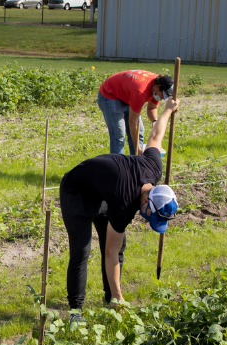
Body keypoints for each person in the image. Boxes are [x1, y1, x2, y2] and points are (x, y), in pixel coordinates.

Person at [59, 99, 183, 310]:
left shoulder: (153, 167)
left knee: (119, 245)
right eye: (148, 215)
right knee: (82, 250)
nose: (145, 219)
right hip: (76, 190)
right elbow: (110, 253)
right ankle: (75, 310)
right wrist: (121, 297)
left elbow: (155, 135)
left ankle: (109, 299)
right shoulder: (125, 202)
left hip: (103, 192)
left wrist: (168, 110)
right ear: (146, 200)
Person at [97, 69, 176, 155]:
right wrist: (137, 148)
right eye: (163, 95)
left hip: (126, 93)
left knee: (139, 132)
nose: (163, 98)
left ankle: (136, 162)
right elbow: (132, 122)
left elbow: (152, 108)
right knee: (118, 134)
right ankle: (117, 165)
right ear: (158, 87)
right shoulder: (141, 91)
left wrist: (155, 121)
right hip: (110, 94)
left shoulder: (157, 88)